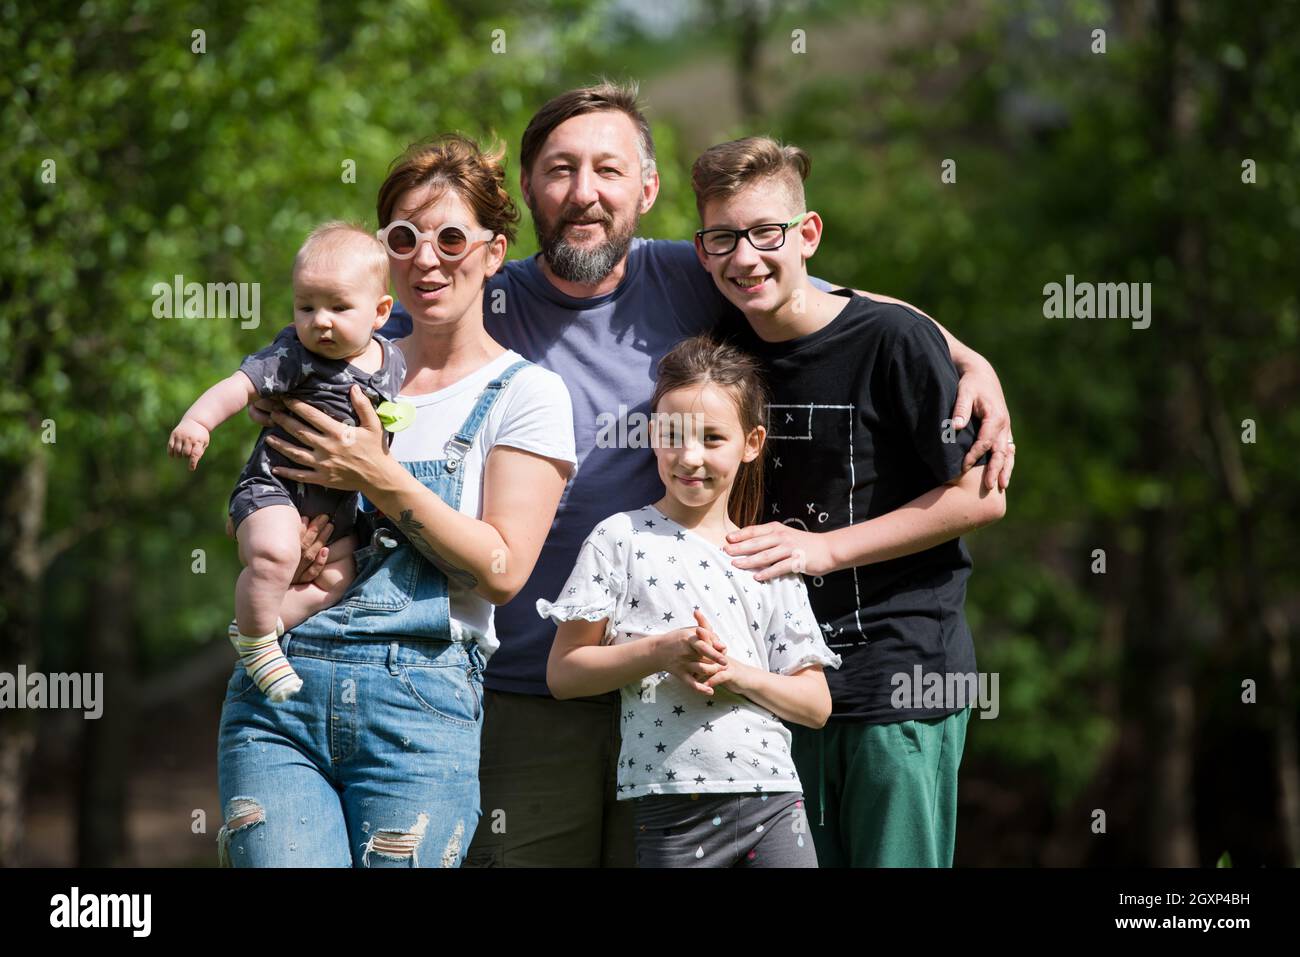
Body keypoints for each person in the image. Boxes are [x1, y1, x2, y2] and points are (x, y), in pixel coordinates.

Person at [376, 82, 1013, 868]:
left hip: (701, 700)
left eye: (607, 170)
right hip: (536, 687)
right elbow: (335, 320)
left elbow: (819, 293)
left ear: (646, 189)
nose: (584, 193)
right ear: (528, 192)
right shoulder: (476, 292)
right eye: (560, 170)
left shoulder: (687, 275)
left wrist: (961, 353)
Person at [216, 133, 575, 867]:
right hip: (281, 684)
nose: (426, 257)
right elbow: (256, 508)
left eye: (450, 237)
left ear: (493, 251)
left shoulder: (527, 394)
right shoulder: (322, 363)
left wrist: (379, 477)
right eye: (404, 236)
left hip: (419, 701)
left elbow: (501, 570)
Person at [693, 135, 1007, 866]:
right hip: (781, 688)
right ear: (702, 250)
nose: (745, 257)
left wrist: (824, 549)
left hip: (897, 678)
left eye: (766, 233)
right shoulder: (721, 350)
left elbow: (981, 496)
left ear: (808, 234)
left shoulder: (893, 338)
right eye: (723, 238)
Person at [542, 336, 841, 867]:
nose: (690, 457)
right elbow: (565, 674)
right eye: (673, 436)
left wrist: (734, 674)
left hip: (773, 800)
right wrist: (662, 652)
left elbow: (815, 707)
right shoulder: (620, 539)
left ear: (751, 443)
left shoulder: (765, 556)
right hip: (668, 809)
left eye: (713, 438)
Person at [170, 223, 402, 701]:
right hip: (273, 488)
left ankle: (266, 621)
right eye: (307, 306)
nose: (321, 321)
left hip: (336, 512)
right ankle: (258, 647)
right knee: (276, 554)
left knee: (341, 575)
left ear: (380, 312)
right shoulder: (294, 355)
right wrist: (198, 421)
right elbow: (241, 386)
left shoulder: (393, 363)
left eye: (339, 307)